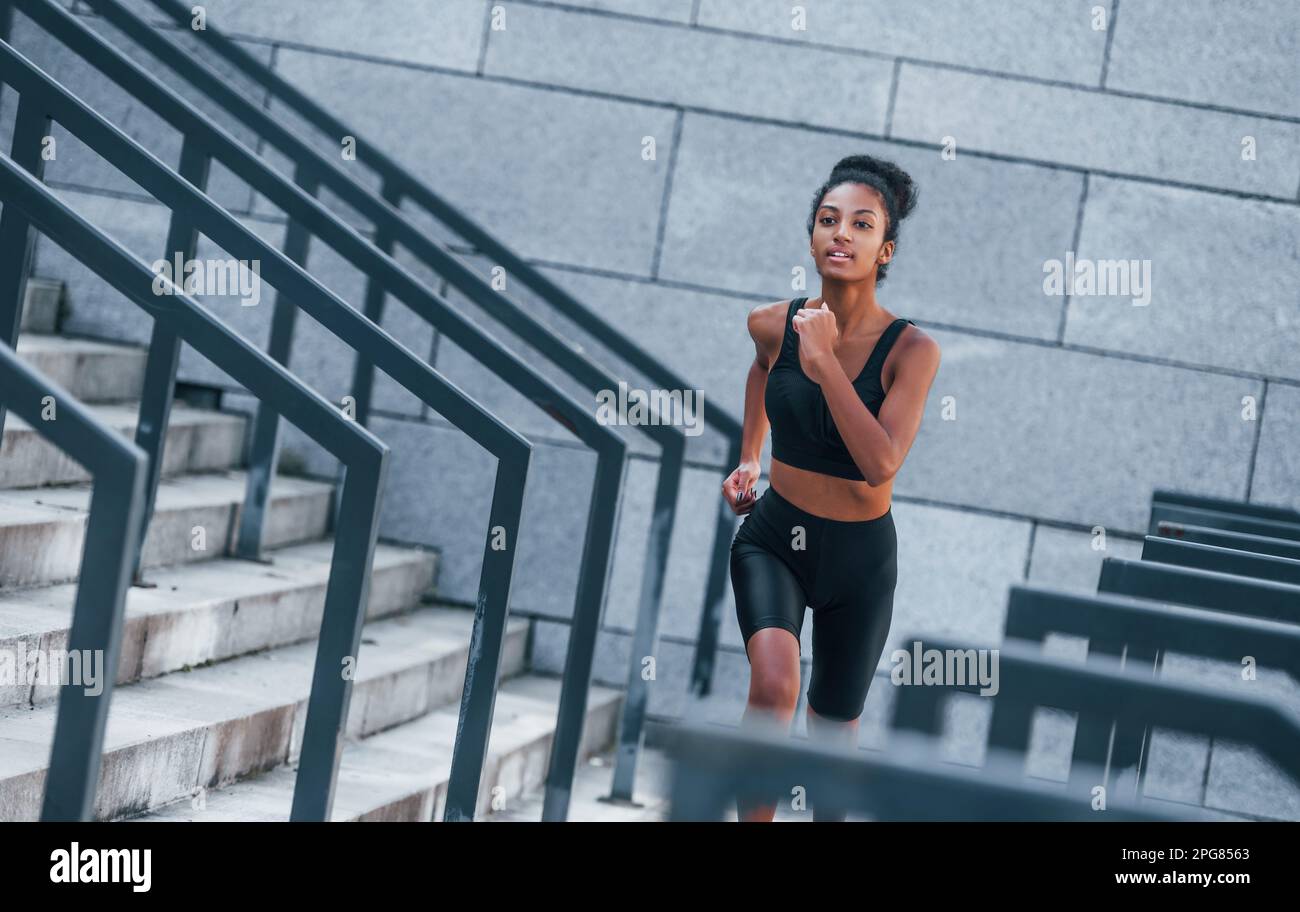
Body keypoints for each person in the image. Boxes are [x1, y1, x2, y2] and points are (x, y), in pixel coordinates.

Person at [722, 154, 941, 822]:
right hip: (773, 540)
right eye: (828, 220)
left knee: (832, 732)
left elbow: (880, 462)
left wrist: (824, 364)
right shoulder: (771, 322)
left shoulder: (912, 351)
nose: (841, 234)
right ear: (813, 236)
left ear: (885, 250)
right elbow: (762, 369)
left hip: (859, 560)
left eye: (861, 224)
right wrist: (749, 455)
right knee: (772, 687)